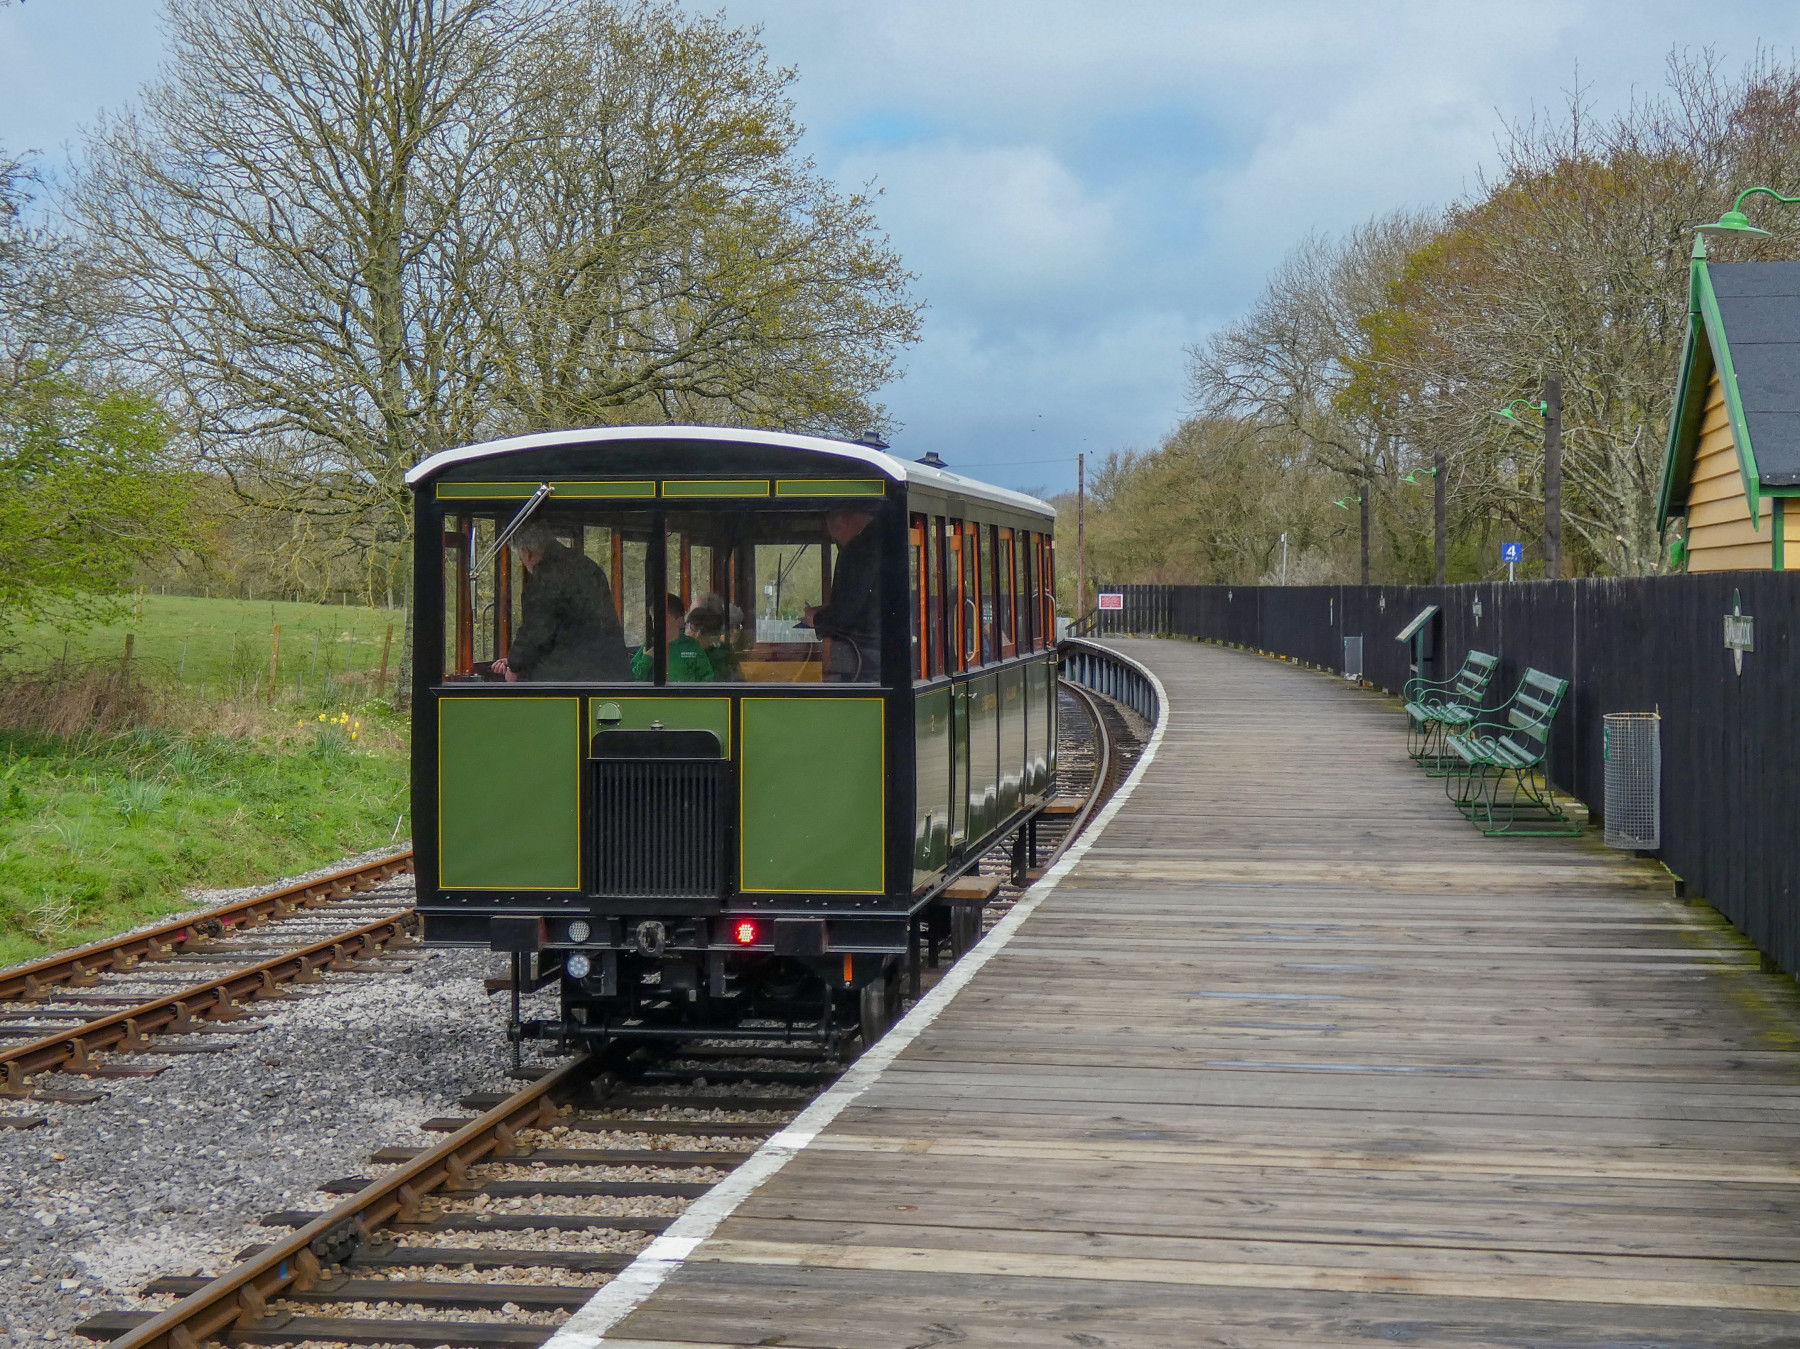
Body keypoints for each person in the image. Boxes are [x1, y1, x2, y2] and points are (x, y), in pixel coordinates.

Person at [490, 522, 630, 682]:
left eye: (521, 558)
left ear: (528, 553)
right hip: (610, 672)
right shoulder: (586, 564)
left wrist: (515, 667)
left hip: (572, 679)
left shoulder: (545, 578)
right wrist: (517, 659)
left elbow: (536, 630)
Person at [804, 506, 881, 681]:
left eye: (834, 535)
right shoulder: (880, 539)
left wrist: (816, 619)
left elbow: (850, 611)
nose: (837, 540)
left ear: (840, 524)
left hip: (862, 656)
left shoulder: (860, 550)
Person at [631, 592, 716, 682]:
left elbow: (707, 677)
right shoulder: (649, 646)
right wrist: (647, 659)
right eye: (654, 621)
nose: (657, 625)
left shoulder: (692, 646)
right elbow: (631, 678)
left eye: (663, 620)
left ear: (680, 621)